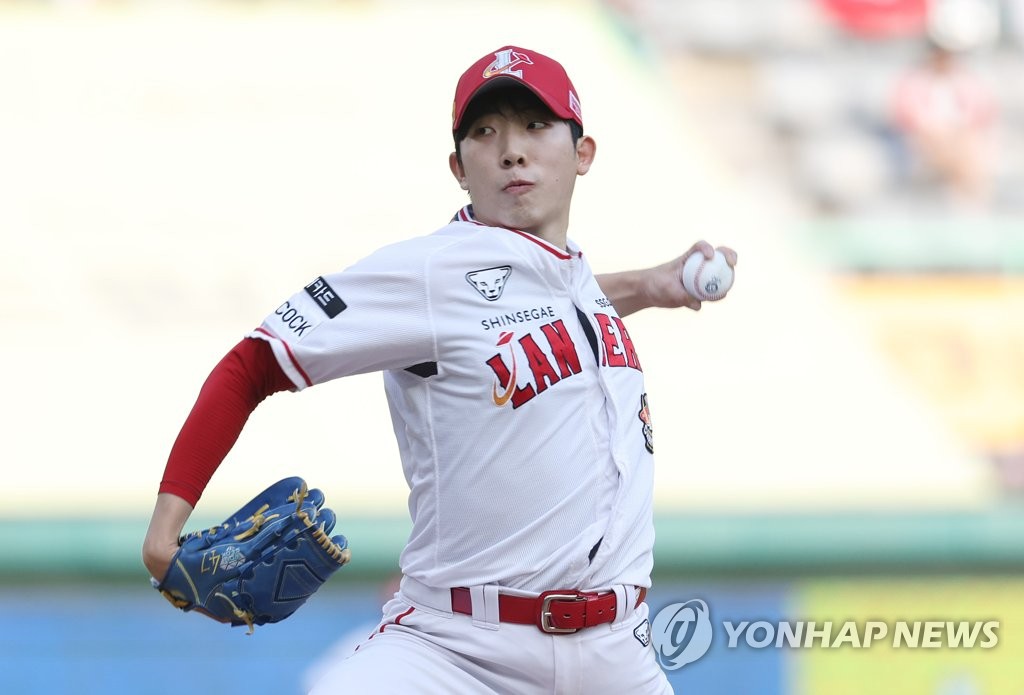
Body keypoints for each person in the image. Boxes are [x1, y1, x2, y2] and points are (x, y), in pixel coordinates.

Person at [142, 45, 737, 694]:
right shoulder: (430, 272)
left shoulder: (573, 282)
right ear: (458, 168)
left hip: (619, 655)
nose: (512, 150)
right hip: (458, 652)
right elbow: (252, 362)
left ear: (583, 153)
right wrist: (164, 534)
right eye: (486, 132)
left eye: (535, 126)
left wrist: (653, 284)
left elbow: (553, 302)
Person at [892, 42, 998, 208]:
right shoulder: (915, 81)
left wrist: (959, 128)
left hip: (958, 136)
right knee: (953, 146)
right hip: (926, 138)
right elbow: (907, 114)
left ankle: (967, 195)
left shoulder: (964, 79)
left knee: (970, 145)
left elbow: (982, 110)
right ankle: (968, 195)